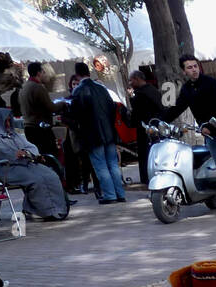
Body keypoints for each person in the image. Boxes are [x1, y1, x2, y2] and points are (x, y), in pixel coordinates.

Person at [163, 54, 216, 213]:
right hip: (210, 136)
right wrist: (160, 120)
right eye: (189, 67)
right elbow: (177, 108)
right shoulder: (187, 89)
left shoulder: (211, 83)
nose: (194, 70)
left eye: (195, 66)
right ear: (184, 71)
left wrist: (211, 125)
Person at [0, 107, 69, 221]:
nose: (8, 124)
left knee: (51, 175)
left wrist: (30, 153)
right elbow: (5, 154)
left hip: (25, 164)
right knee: (36, 179)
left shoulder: (14, 134)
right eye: (5, 121)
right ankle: (42, 211)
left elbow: (30, 146)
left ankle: (56, 209)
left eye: (9, 120)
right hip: (8, 169)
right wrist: (18, 154)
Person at [68, 62, 126, 204]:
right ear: (89, 72)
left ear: (77, 74)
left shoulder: (78, 91)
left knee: (100, 165)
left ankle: (110, 195)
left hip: (92, 134)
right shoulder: (101, 88)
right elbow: (112, 108)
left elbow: (75, 115)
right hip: (108, 131)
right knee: (113, 163)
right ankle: (120, 193)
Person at [19, 62, 64, 161]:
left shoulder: (23, 87)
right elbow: (51, 107)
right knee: (49, 157)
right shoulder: (38, 87)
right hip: (40, 129)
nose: (45, 75)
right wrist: (63, 103)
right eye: (44, 72)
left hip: (28, 128)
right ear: (39, 73)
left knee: (36, 157)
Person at [127, 69, 163, 185]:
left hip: (145, 129)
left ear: (137, 79)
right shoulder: (153, 90)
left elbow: (136, 114)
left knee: (146, 155)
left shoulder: (140, 94)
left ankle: (148, 178)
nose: (130, 83)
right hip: (157, 127)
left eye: (131, 80)